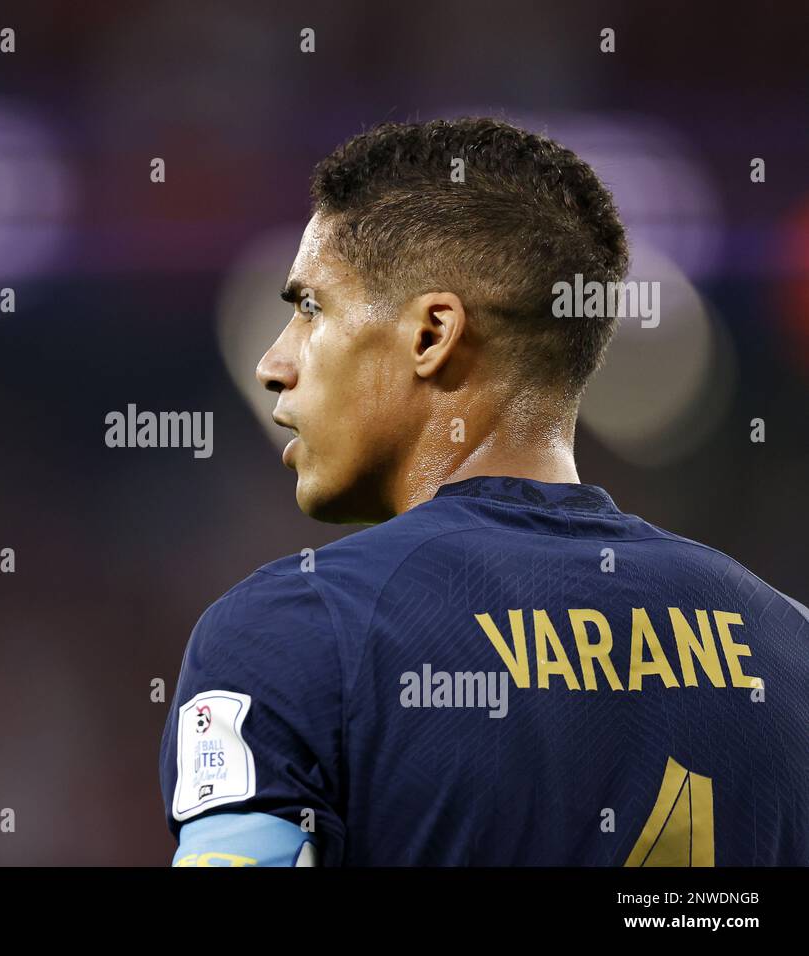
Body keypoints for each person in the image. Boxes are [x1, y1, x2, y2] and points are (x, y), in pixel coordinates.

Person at [159, 118, 809, 866]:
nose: (275, 363)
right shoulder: (788, 642)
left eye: (310, 308)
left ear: (432, 335)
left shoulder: (291, 634)